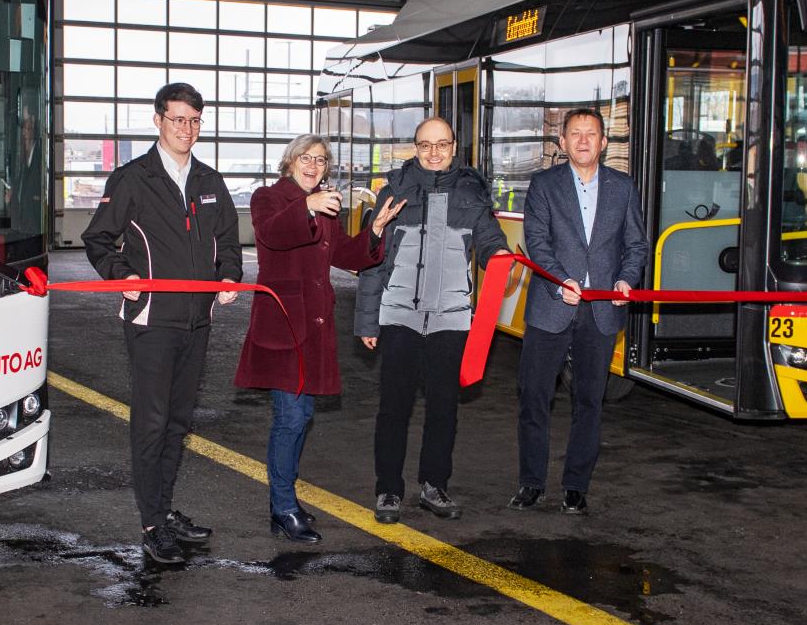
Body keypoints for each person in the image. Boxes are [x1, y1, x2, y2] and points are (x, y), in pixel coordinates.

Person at [81, 82, 241, 566]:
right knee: (151, 424)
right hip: (152, 321)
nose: (186, 130)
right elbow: (98, 240)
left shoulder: (210, 182)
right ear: (158, 120)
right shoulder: (133, 179)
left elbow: (229, 243)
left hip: (197, 323)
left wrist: (229, 276)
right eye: (177, 120)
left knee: (176, 423)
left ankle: (165, 511)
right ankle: (151, 523)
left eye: (194, 121)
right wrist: (121, 276)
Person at [236, 136, 406, 542]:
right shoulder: (268, 197)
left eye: (321, 160)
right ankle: (282, 507)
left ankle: (286, 500)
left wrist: (375, 230)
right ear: (290, 161)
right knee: (291, 418)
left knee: (302, 417)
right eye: (306, 158)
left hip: (315, 325)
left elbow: (346, 255)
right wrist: (307, 206)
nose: (314, 165)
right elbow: (274, 234)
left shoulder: (324, 203)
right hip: (283, 324)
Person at [355, 117, 508, 523]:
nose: (434, 152)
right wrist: (368, 322)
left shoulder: (473, 194)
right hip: (400, 314)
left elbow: (492, 240)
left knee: (444, 408)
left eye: (442, 144)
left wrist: (500, 257)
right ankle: (388, 490)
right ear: (415, 148)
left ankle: (434, 485)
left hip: (451, 318)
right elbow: (372, 261)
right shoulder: (394, 192)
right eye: (426, 145)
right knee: (394, 408)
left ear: (454, 146)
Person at [511, 107, 649, 513]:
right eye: (575, 133)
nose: (584, 140)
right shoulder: (543, 185)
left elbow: (636, 245)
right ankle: (531, 482)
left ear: (605, 142)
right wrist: (560, 282)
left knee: (589, 400)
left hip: (601, 310)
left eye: (592, 133)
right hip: (552, 306)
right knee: (534, 397)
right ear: (562, 143)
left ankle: (576, 486)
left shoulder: (623, 187)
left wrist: (626, 280)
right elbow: (537, 242)